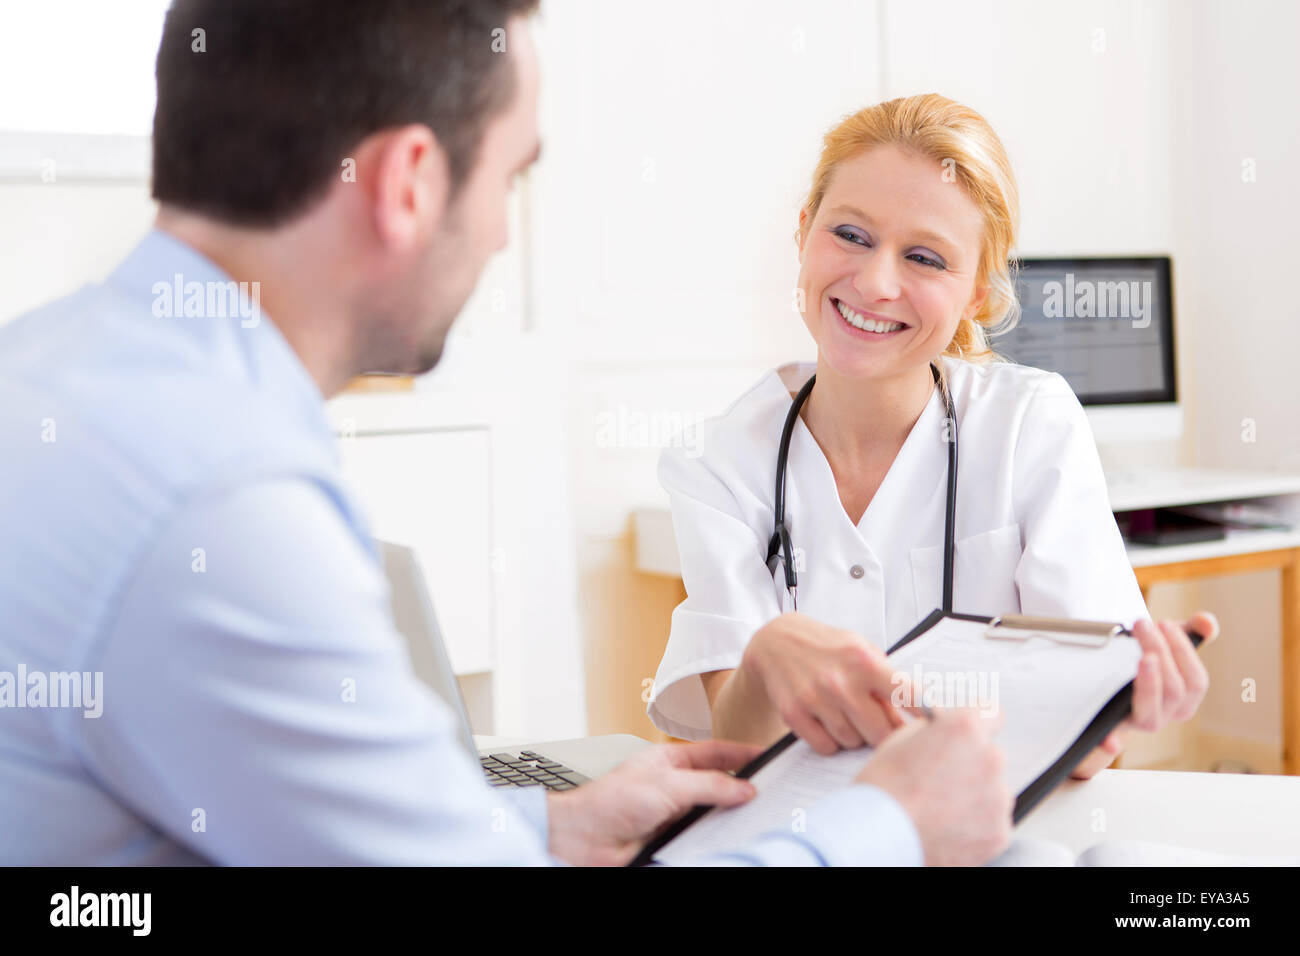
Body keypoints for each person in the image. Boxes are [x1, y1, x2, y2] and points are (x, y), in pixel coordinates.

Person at [0, 1, 1012, 866]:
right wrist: (893, 822)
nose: (497, 233)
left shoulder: (52, 369)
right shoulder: (226, 507)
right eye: (508, 180)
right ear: (405, 185)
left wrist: (546, 823)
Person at [646, 94, 1216, 777]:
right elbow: (739, 744)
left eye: (924, 257)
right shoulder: (720, 463)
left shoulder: (1029, 425)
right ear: (804, 233)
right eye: (850, 236)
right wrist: (766, 664)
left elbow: (1087, 746)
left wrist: (1121, 704)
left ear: (976, 291)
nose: (876, 281)